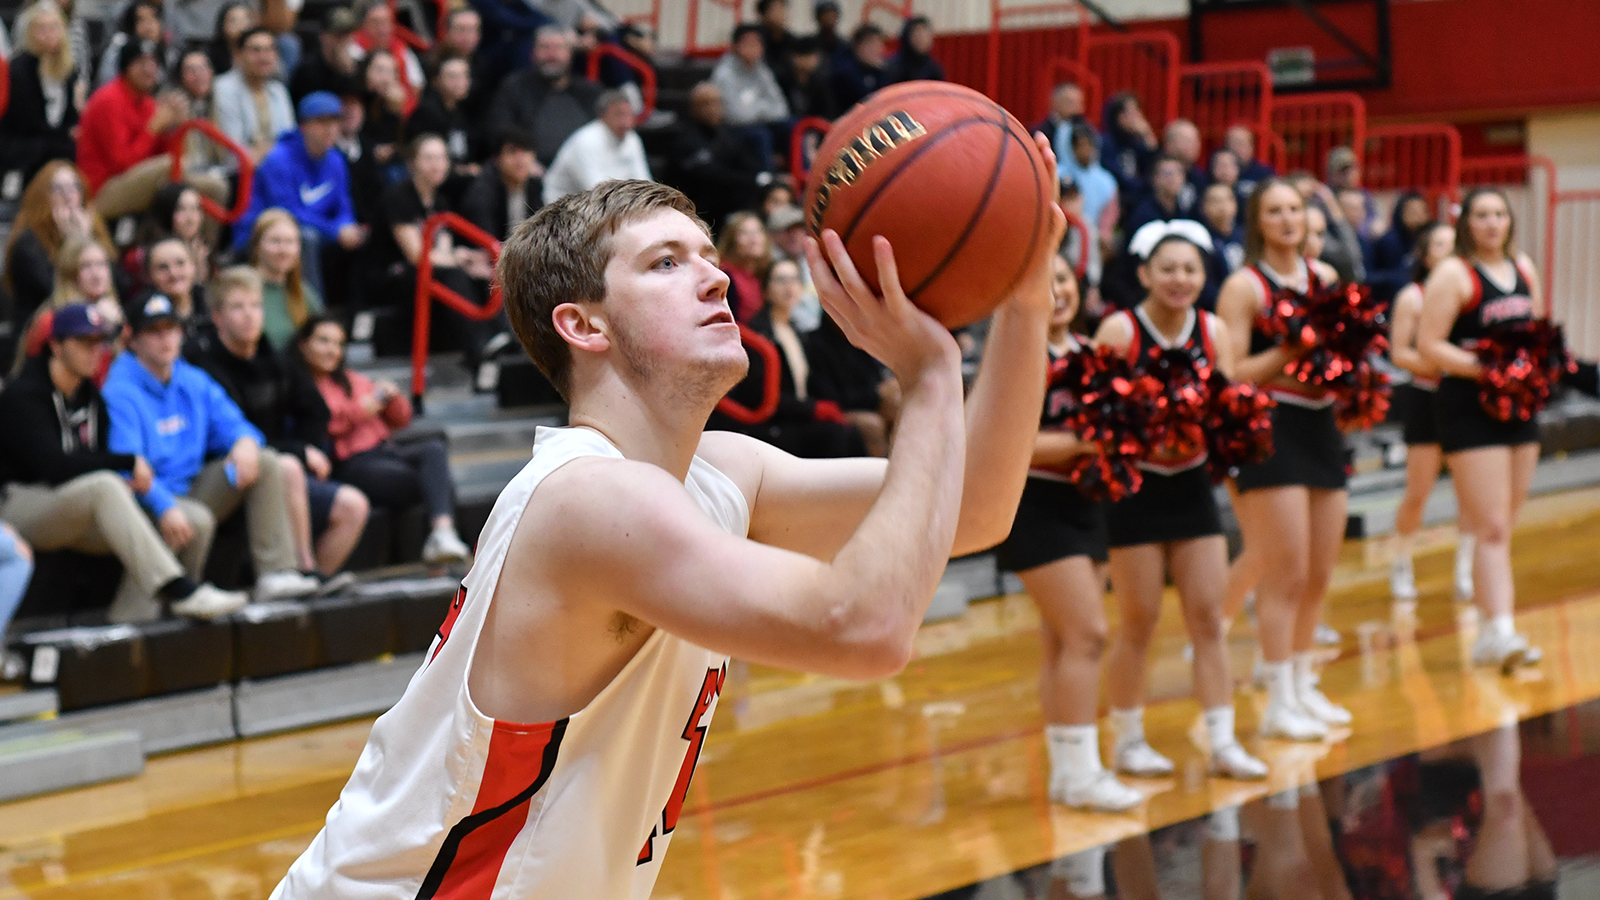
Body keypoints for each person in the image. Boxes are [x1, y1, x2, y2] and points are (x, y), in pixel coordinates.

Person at [269, 154, 1064, 894]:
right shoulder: (590, 500)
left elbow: (980, 504)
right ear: (585, 325)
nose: (717, 278)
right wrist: (928, 379)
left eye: (710, 255)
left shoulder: (723, 473)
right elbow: (865, 628)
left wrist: (1024, 298)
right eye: (667, 263)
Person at [1094, 221, 1267, 783]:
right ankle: (1127, 740)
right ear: (1143, 273)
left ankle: (1222, 741)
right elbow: (1099, 415)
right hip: (1137, 490)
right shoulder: (1120, 331)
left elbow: (1225, 406)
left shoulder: (1213, 329)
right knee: (1138, 622)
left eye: (1191, 269)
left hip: (1192, 484)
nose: (1180, 279)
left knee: (1209, 621)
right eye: (1167, 268)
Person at [993, 254, 1140, 811]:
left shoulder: (1091, 357)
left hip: (1087, 501)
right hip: (1032, 502)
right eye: (1044, 281)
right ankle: (1083, 771)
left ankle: (1066, 772)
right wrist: (1085, 442)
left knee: (1062, 640)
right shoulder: (1014, 356)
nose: (1058, 290)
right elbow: (1009, 440)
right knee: (1088, 634)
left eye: (1065, 280)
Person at [0, 304, 249, 622]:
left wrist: (142, 487)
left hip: (74, 502)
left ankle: (137, 617)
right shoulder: (23, 395)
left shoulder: (89, 393)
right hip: (20, 504)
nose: (94, 351)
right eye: (83, 343)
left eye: (98, 342)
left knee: (193, 518)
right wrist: (127, 462)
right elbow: (54, 466)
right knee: (105, 485)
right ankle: (180, 590)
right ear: (55, 345)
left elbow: (93, 456)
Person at [1215, 178, 1351, 741]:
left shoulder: (1328, 281)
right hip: (1269, 429)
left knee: (1319, 572)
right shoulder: (1244, 287)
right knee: (1285, 573)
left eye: (1295, 208)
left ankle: (1301, 685)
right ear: (1258, 222)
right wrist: (1288, 352)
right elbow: (1230, 373)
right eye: (1275, 211)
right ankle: (1276, 700)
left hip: (1322, 426)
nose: (1288, 219)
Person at [103, 292, 322, 604]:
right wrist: (165, 506)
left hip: (193, 486)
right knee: (196, 518)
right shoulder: (120, 390)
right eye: (153, 332)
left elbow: (236, 424)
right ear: (133, 340)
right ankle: (169, 604)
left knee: (266, 460)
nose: (165, 339)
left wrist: (245, 443)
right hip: (146, 499)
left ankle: (276, 574)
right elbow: (128, 465)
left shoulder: (191, 378)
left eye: (171, 329)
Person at [1417, 188, 1547, 670]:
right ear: (1466, 223)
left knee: (1502, 524)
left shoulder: (1523, 267)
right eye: (1481, 215)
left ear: (1509, 222)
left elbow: (1533, 330)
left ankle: (1490, 631)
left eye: (1499, 215)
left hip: (1519, 404)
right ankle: (1499, 630)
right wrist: (1486, 368)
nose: (1491, 223)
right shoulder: (1453, 274)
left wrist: (1530, 366)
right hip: (1468, 406)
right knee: (1490, 525)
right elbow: (1429, 344)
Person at [195, 268, 368, 583]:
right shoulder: (207, 367)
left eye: (255, 306)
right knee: (285, 465)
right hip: (231, 474)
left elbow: (315, 410)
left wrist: (308, 446)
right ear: (218, 317)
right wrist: (299, 451)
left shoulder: (272, 357)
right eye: (238, 307)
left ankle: (316, 584)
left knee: (353, 506)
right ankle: (301, 568)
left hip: (282, 469)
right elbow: (227, 439)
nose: (249, 315)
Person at [295, 316, 472, 565]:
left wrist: (393, 397)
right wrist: (361, 410)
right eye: (323, 341)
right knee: (435, 484)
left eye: (337, 344)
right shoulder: (301, 385)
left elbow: (402, 419)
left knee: (434, 449)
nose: (331, 350)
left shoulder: (351, 378)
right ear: (303, 344)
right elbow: (325, 425)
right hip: (351, 463)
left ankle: (443, 535)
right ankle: (441, 547)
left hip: (385, 450)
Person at [1387, 222, 1473, 608]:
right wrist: (1433, 363)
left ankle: (1466, 570)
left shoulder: (1469, 290)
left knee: (1472, 494)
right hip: (1424, 398)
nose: (1447, 250)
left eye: (1453, 245)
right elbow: (1398, 352)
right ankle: (1401, 561)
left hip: (1465, 399)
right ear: (1424, 255)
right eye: (1439, 245)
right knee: (1419, 491)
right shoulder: (1412, 296)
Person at [709, 259, 867, 459]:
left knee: (852, 433)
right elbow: (758, 394)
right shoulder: (758, 334)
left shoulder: (798, 331)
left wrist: (826, 405)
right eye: (781, 280)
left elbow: (811, 382)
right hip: (773, 422)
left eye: (794, 279)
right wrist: (813, 409)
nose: (789, 286)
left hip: (797, 416)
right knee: (837, 435)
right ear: (766, 289)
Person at [76, 38, 230, 220]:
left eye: (153, 63)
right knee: (168, 167)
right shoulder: (109, 100)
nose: (149, 69)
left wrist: (173, 129)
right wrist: (154, 128)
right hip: (101, 190)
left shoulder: (148, 103)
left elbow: (168, 156)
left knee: (216, 188)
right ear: (126, 67)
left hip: (140, 180)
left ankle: (200, 247)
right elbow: (122, 164)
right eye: (141, 62)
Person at [236, 92, 369, 298]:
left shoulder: (336, 160)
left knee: (361, 239)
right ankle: (311, 311)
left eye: (335, 122)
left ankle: (357, 317)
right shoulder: (278, 159)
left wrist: (346, 226)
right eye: (322, 122)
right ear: (304, 126)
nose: (331, 129)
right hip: (261, 232)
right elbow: (287, 212)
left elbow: (344, 206)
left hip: (317, 230)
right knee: (306, 238)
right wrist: (335, 231)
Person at [3, 161, 115, 327]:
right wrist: (75, 242)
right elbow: (55, 290)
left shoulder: (93, 232)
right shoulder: (28, 243)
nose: (67, 195)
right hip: (45, 333)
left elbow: (119, 285)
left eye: (74, 187)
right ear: (43, 196)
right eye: (58, 189)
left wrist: (87, 239)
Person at [487, 26, 604, 168]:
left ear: (570, 54)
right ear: (533, 53)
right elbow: (501, 133)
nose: (551, 55)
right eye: (545, 48)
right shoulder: (514, 87)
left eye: (558, 48)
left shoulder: (591, 92)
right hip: (529, 172)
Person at [670, 82, 775, 232]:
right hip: (697, 209)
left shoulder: (726, 135)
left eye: (717, 103)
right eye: (706, 104)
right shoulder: (686, 140)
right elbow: (710, 175)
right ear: (693, 109)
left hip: (726, 204)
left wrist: (764, 178)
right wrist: (750, 180)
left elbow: (747, 162)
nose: (713, 109)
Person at [0, 0, 84, 184]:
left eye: (53, 28)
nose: (48, 35)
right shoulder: (18, 70)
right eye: (41, 29)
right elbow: (25, 123)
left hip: (56, 147)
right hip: (23, 148)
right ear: (30, 33)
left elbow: (69, 118)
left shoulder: (68, 69)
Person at [541, 90, 652, 204]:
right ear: (602, 116)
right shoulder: (586, 141)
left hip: (609, 203)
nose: (625, 122)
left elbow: (644, 182)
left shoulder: (632, 139)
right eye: (619, 115)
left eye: (628, 115)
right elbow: (597, 190)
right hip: (563, 206)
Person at [211, 26, 296, 166]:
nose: (263, 57)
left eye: (269, 50)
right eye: (255, 50)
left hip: (276, 167)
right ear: (238, 55)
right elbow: (233, 152)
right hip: (237, 172)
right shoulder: (224, 88)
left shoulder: (278, 90)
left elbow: (289, 140)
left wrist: (265, 150)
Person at [711, 24, 791, 169]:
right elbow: (735, 116)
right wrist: (762, 108)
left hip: (758, 123)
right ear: (735, 46)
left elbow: (781, 108)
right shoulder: (724, 74)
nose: (754, 48)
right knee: (760, 136)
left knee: (791, 125)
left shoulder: (761, 70)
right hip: (731, 129)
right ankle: (768, 182)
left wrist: (754, 109)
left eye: (758, 43)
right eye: (748, 43)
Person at [246, 209, 325, 349]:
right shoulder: (242, 289)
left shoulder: (304, 293)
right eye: (275, 241)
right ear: (257, 246)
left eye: (290, 242)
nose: (283, 250)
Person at [404, 56, 479, 184]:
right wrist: (458, 170)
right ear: (436, 81)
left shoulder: (463, 111)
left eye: (464, 76)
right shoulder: (427, 112)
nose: (460, 82)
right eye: (453, 77)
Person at [460, 127, 543, 241]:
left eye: (525, 151)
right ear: (497, 159)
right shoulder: (482, 193)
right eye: (512, 152)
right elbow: (487, 241)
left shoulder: (536, 187)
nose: (520, 160)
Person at [132, 183, 216, 287]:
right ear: (166, 212)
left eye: (196, 209)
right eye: (181, 209)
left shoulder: (202, 248)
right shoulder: (139, 256)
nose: (191, 218)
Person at [143, 237, 215, 352]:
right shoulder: (145, 318)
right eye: (162, 267)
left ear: (193, 266)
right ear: (150, 276)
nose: (173, 273)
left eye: (180, 263)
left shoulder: (213, 303)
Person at [349, 0, 424, 106]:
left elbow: (417, 85)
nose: (383, 28)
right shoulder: (354, 47)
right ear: (363, 24)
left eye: (387, 22)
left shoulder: (402, 48)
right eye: (376, 22)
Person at [1100, 93, 1158, 213]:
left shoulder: (1137, 142)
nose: (1137, 117)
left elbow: (1154, 167)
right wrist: (1143, 188)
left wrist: (1148, 136)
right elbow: (1115, 176)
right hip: (1116, 199)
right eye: (1132, 113)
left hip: (1138, 198)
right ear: (1119, 116)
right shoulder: (1106, 143)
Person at [290, 8, 362, 103]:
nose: (345, 41)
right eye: (340, 35)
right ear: (324, 37)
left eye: (349, 34)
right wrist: (344, 74)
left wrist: (349, 73)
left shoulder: (357, 65)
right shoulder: (308, 69)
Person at [766, 205, 820, 333]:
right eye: (788, 230)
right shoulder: (767, 265)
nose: (795, 236)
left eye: (800, 229)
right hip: (783, 331)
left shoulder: (810, 262)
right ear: (773, 235)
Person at [1372, 191, 1430, 303]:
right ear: (1401, 213)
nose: (1419, 217)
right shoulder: (1388, 242)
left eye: (1422, 212)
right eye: (1413, 212)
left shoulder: (1427, 239)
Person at [94, 0, 165, 89]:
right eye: (141, 20)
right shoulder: (120, 43)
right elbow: (106, 80)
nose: (148, 25)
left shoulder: (163, 47)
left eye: (152, 19)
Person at [717, 211, 773, 324]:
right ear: (731, 240)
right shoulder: (723, 276)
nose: (754, 239)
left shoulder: (767, 273)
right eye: (745, 233)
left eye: (758, 232)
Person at [1124, 155, 1193, 237]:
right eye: (1167, 174)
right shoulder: (1143, 214)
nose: (1173, 178)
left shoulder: (1183, 211)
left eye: (1178, 173)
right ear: (1154, 179)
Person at [831, 23, 887, 109]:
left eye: (878, 44)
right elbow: (866, 99)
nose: (875, 49)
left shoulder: (878, 70)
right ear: (857, 45)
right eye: (870, 44)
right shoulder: (843, 70)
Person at [204, 1, 256, 77]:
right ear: (222, 25)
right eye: (233, 20)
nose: (240, 26)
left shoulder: (261, 51)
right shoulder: (210, 55)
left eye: (245, 20)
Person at [884, 16, 944, 84]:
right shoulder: (893, 68)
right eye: (918, 35)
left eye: (925, 35)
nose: (921, 39)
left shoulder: (934, 70)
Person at [1225, 124, 1275, 198]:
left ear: (1251, 147)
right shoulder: (1218, 173)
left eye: (1240, 143)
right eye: (1232, 144)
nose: (1236, 149)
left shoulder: (1264, 173)